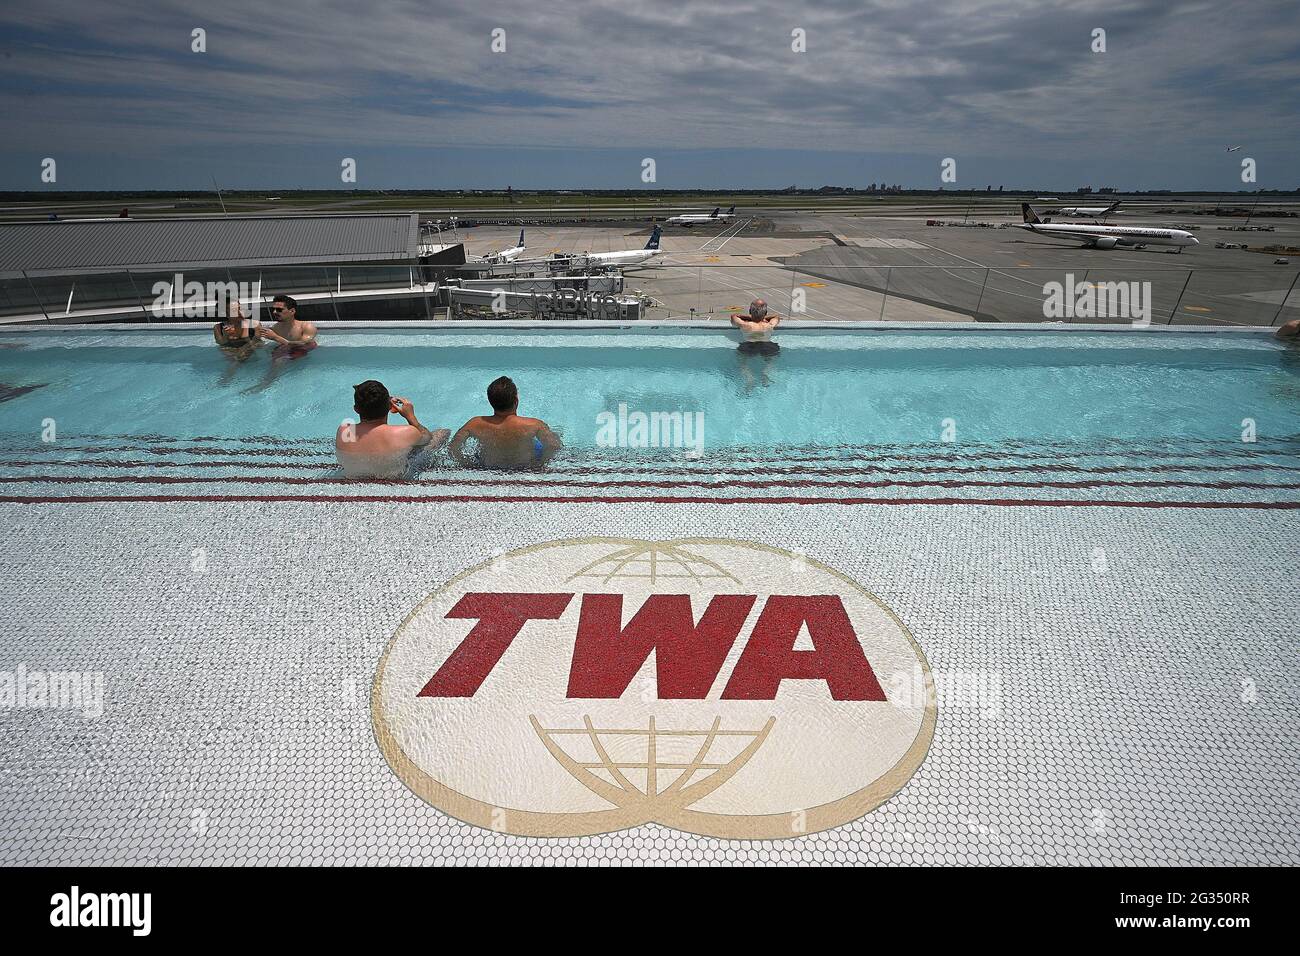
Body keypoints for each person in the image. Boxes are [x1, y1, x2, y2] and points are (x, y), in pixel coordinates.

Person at [335, 380, 449, 479]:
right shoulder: (405, 432)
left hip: (354, 475)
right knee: (442, 433)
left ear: (356, 409)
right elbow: (427, 437)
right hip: (395, 476)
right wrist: (411, 417)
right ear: (391, 407)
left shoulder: (344, 430)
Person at [448, 376, 562, 470]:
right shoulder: (534, 425)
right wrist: (540, 464)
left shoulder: (475, 423)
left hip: (490, 465)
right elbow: (553, 446)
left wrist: (468, 465)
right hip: (524, 465)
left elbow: (453, 448)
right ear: (516, 400)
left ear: (490, 401)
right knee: (556, 434)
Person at [731, 298, 781, 389]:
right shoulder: (769, 325)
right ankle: (765, 373)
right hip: (767, 346)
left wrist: (748, 317)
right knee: (770, 361)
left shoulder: (745, 325)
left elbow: (733, 316)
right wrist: (763, 318)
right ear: (765, 313)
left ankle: (749, 378)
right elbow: (777, 317)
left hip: (749, 346)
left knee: (742, 362)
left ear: (750, 311)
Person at [258, 294, 318, 360]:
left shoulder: (306, 327)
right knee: (276, 355)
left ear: (292, 311)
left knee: (283, 357)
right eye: (274, 309)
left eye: (279, 310)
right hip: (287, 349)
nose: (274, 312)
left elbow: (304, 343)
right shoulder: (276, 328)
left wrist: (276, 337)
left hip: (304, 349)